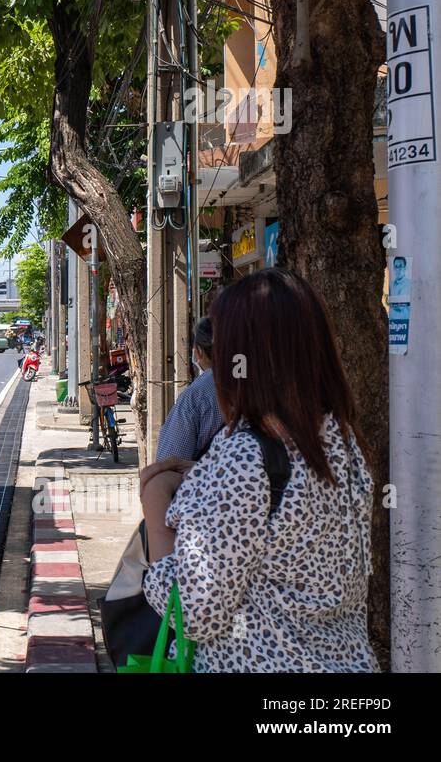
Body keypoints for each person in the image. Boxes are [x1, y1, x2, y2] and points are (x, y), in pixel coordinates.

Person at [140, 268, 377, 672]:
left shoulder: (246, 455)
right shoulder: (342, 441)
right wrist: (206, 479)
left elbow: (194, 614)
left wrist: (156, 509)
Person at [154, 316, 225, 461]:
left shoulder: (196, 397)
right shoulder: (266, 387)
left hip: (208, 482)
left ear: (198, 352)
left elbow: (168, 464)